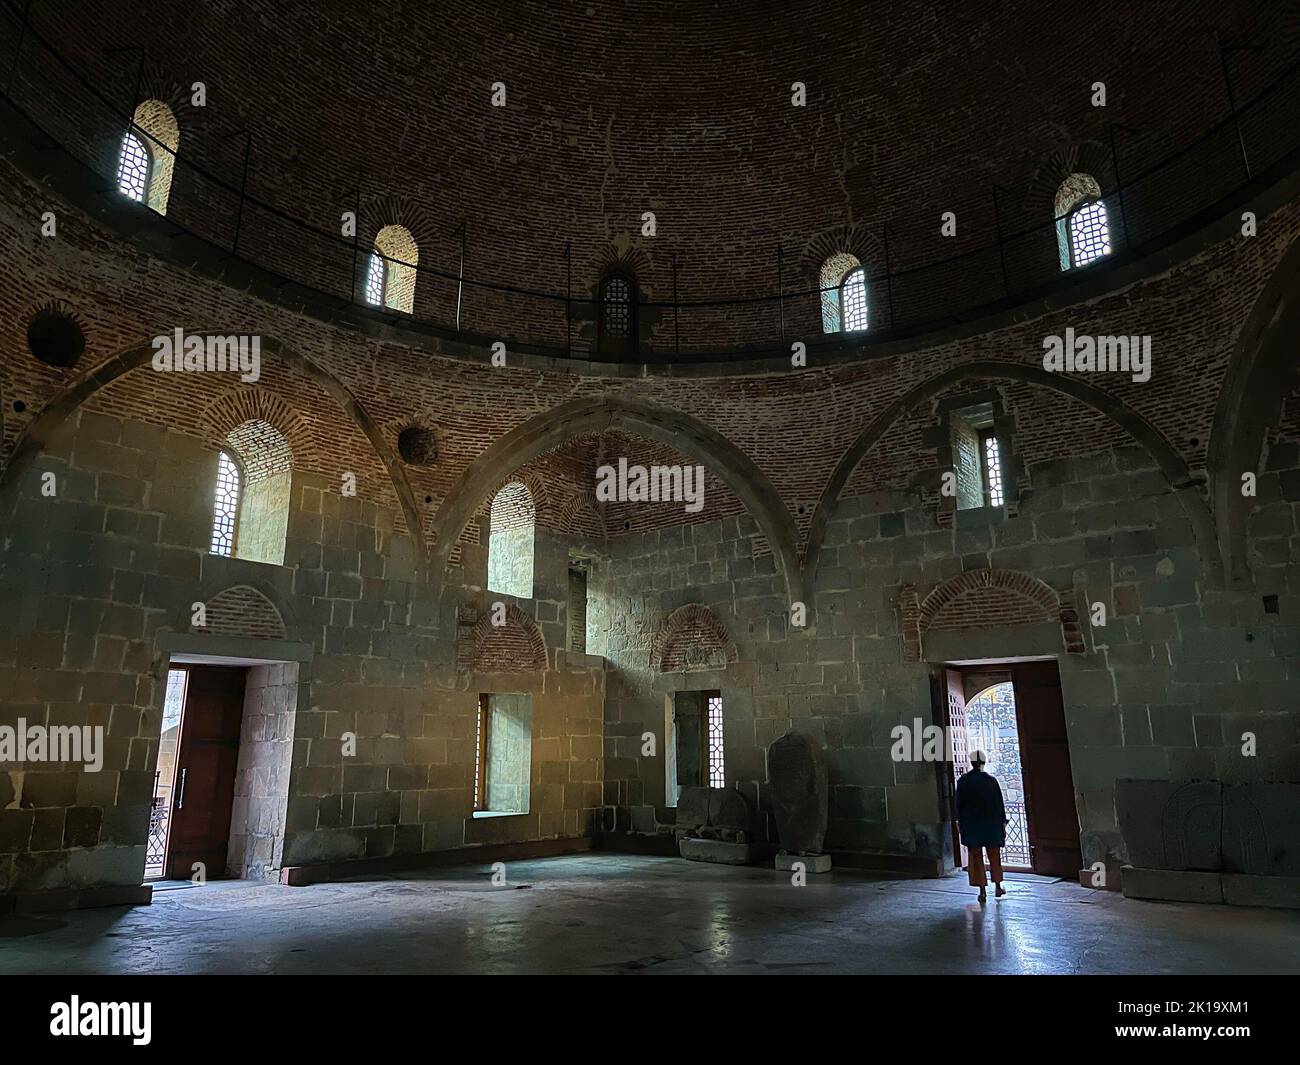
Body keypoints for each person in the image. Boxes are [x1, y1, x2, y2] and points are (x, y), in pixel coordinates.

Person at [955, 750, 1008, 903]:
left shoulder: (964, 781)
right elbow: (999, 805)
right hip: (991, 824)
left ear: (971, 762)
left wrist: (960, 822)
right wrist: (1002, 823)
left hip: (972, 825)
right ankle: (998, 886)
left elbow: (959, 805)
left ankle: (982, 891)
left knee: (976, 859)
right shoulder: (991, 781)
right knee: (994, 856)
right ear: (984, 762)